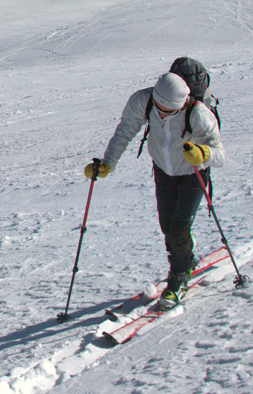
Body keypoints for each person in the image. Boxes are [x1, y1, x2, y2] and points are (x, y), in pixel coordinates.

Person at [86, 70, 225, 305]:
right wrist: (108, 163)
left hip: (193, 173)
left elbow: (220, 155)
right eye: (159, 108)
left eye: (168, 111)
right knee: (167, 225)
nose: (161, 114)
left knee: (179, 227)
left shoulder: (199, 114)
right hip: (163, 170)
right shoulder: (144, 100)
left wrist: (203, 153)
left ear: (181, 104)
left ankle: (179, 276)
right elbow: (125, 131)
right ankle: (186, 256)